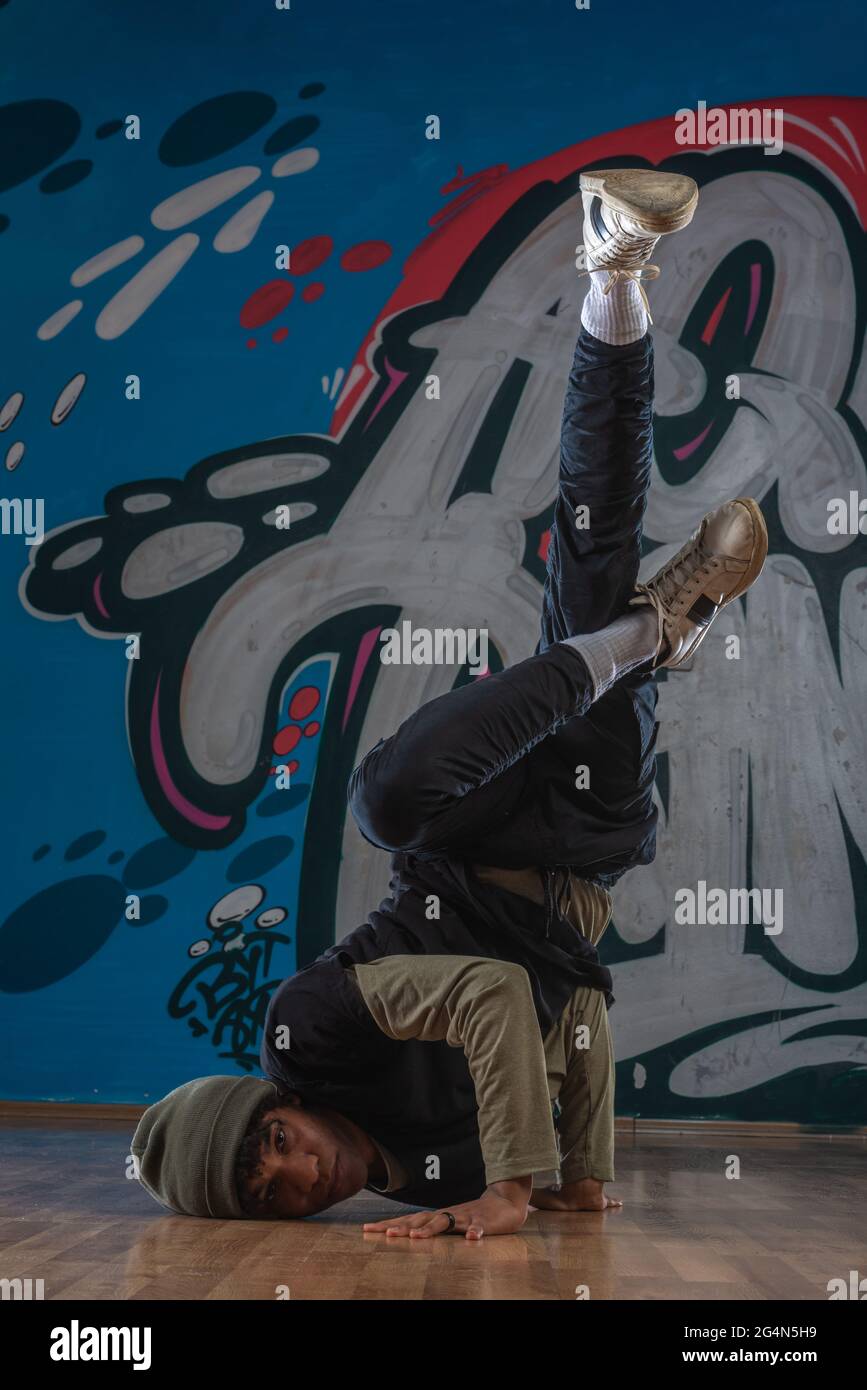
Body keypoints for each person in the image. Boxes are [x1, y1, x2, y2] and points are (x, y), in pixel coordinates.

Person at [131, 169, 768, 1240]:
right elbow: (571, 1016)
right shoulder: (424, 1179)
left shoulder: (306, 1034)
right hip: (582, 859)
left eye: (273, 1140)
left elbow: (487, 993)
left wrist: (514, 1186)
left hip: (473, 832)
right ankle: (614, 277)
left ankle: (644, 640)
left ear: (279, 1099)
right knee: (592, 548)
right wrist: (578, 1168)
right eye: (267, 1191)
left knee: (389, 797)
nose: (297, 1173)